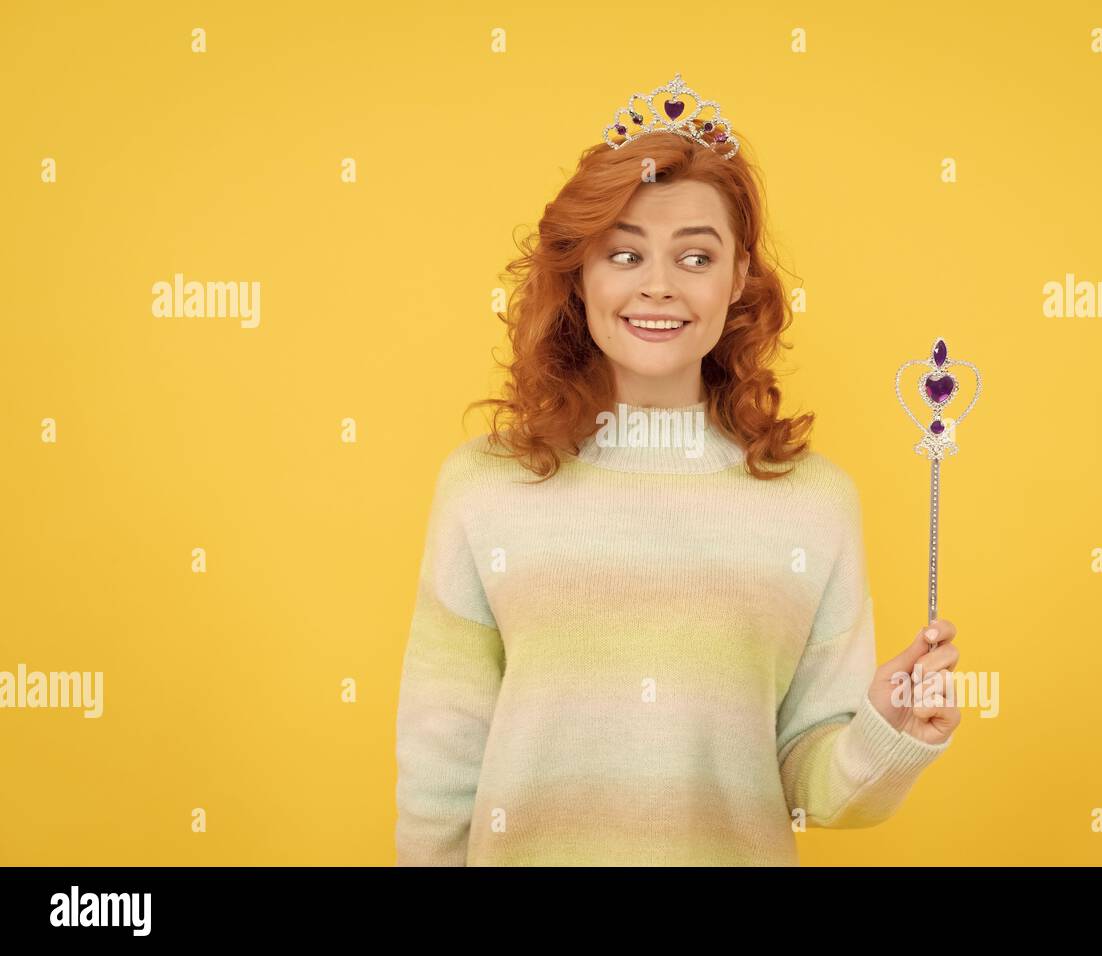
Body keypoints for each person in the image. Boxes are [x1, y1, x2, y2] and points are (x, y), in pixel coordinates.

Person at [394, 73, 961, 866]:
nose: (658, 284)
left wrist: (887, 734)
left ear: (737, 282)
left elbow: (809, 784)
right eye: (624, 252)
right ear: (580, 276)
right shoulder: (484, 486)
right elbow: (440, 758)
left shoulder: (813, 503)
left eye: (695, 255)